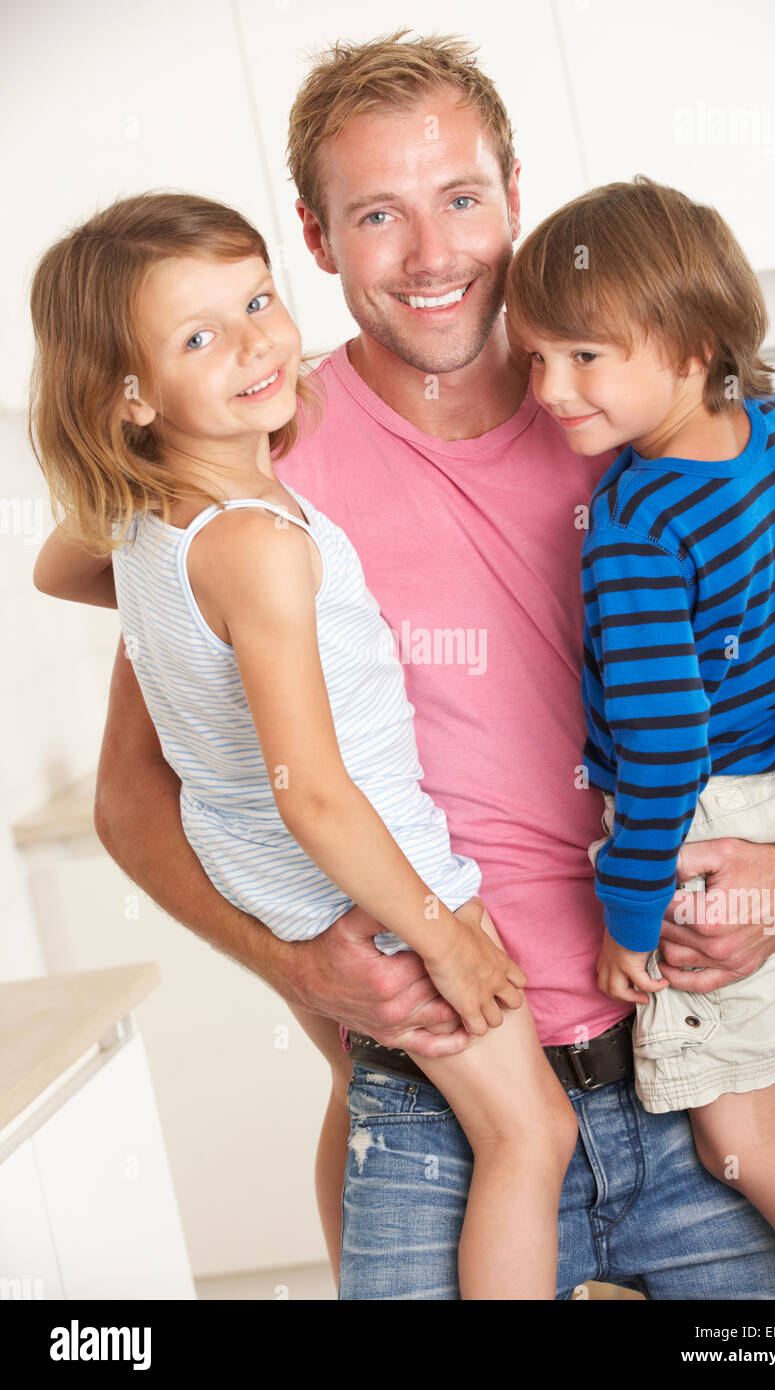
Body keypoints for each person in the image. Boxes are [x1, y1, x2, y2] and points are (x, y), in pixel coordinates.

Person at [61, 32, 775, 1299]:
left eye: (460, 199)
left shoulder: (637, 405)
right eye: (378, 213)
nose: (431, 254)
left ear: (513, 197)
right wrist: (294, 964)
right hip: (440, 1103)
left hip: (701, 1060)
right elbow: (133, 797)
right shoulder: (254, 467)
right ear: (316, 241)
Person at [29, 189, 586, 1301]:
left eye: (256, 300)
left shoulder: (155, 521)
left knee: (361, 1090)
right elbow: (317, 794)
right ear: (127, 397)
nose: (255, 342)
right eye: (200, 337)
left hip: (266, 878)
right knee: (532, 1137)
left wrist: (182, 548)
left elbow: (60, 566)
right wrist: (445, 933)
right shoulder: (256, 549)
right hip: (367, 883)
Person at [504, 175, 775, 1291]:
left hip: (704, 824)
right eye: (533, 358)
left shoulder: (631, 523)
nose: (549, 391)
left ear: (690, 342)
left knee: (738, 1139)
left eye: (582, 356)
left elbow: (661, 745)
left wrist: (624, 915)